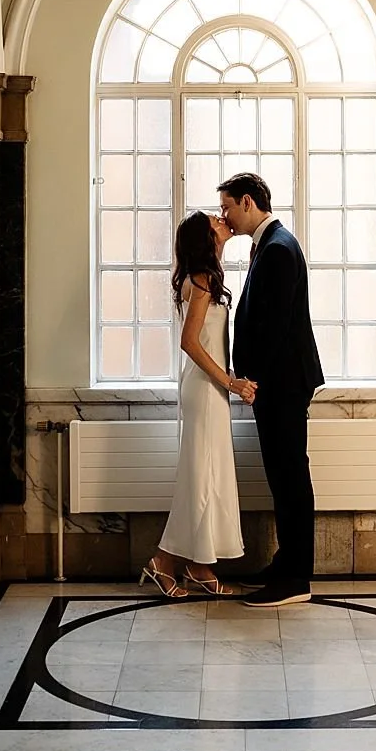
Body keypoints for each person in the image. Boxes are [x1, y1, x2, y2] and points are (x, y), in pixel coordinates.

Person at [220, 171, 324, 608]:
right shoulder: (271, 243)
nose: (225, 215)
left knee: (290, 478)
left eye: (227, 207)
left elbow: (277, 329)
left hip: (281, 384)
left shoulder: (279, 248)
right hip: (277, 383)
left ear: (247, 202)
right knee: (283, 477)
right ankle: (286, 564)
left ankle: (297, 578)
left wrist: (252, 381)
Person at [140, 212, 256, 599]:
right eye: (215, 220)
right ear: (207, 237)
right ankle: (163, 561)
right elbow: (190, 343)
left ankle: (199, 565)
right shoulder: (203, 281)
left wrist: (231, 379)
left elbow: (211, 342)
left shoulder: (208, 276)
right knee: (201, 480)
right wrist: (231, 382)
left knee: (209, 477)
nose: (224, 220)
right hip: (206, 390)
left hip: (209, 389)